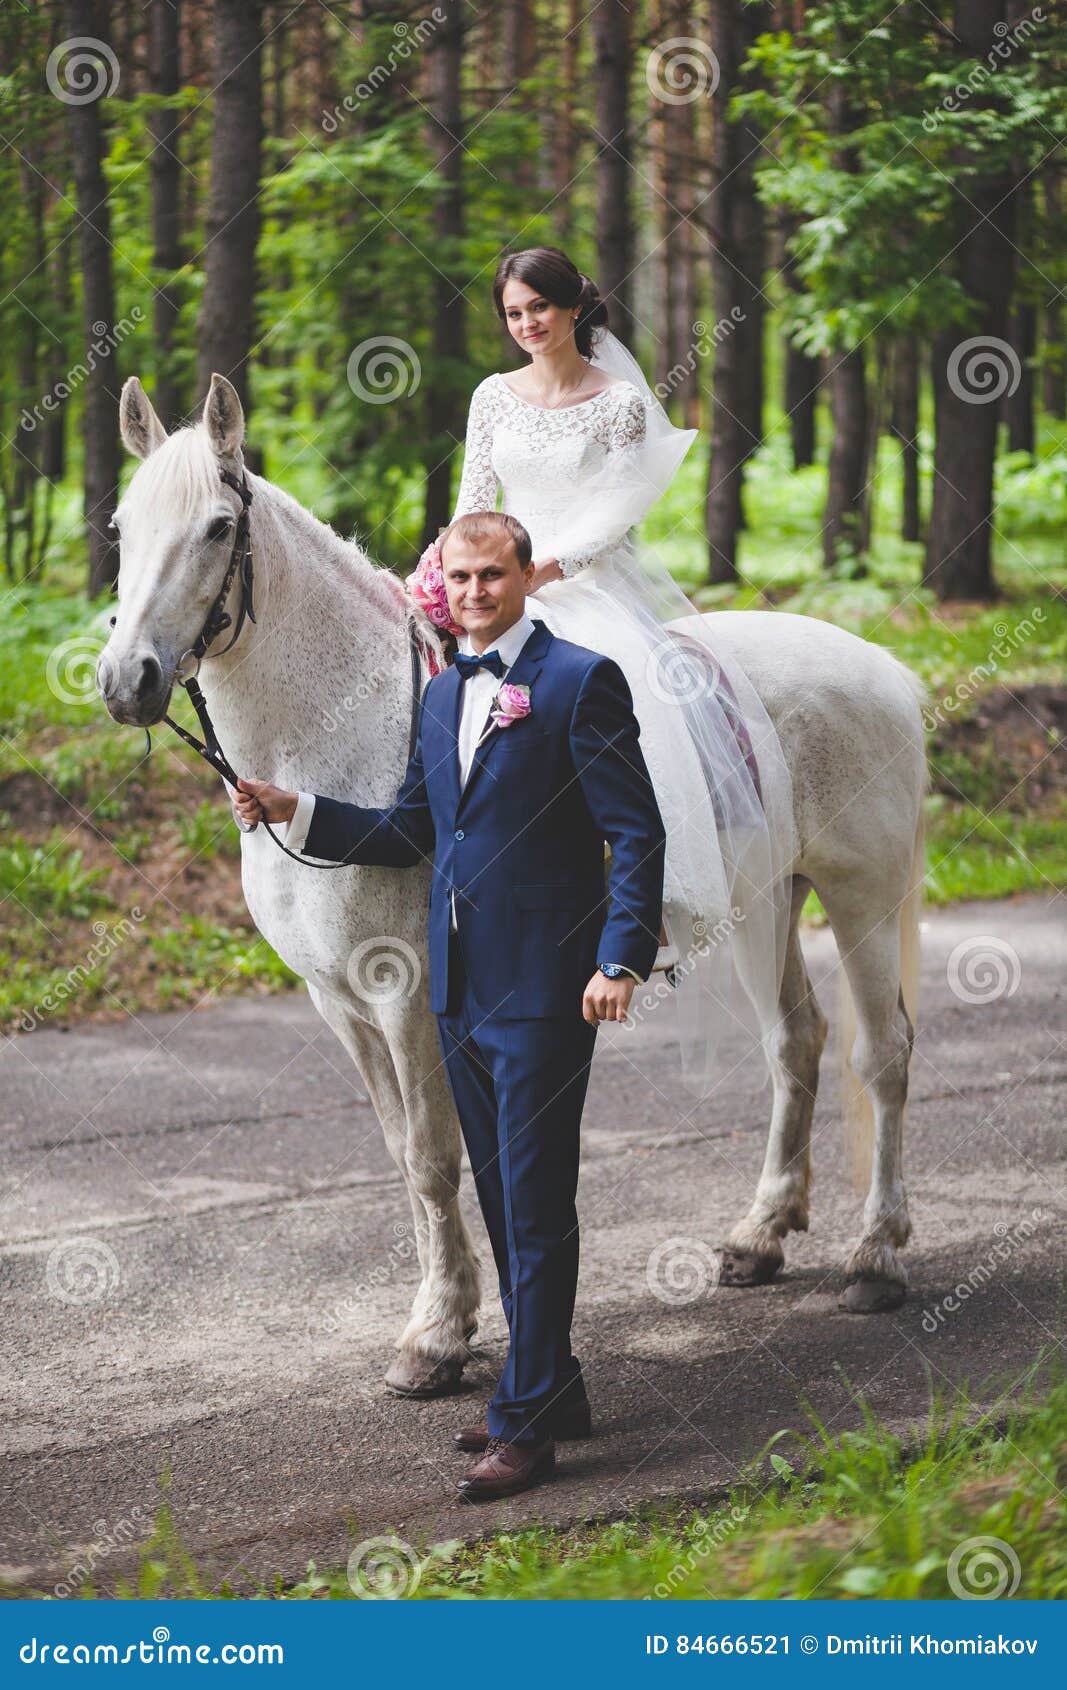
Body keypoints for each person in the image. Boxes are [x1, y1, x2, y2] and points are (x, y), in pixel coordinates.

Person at [233, 510, 666, 1503]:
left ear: (523, 577)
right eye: (457, 577)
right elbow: (409, 833)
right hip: (460, 991)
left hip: (547, 986)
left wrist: (619, 959)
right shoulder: (439, 701)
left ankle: (523, 1425)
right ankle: (550, 1388)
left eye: (491, 576)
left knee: (535, 1205)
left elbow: (633, 833)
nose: (473, 592)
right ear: (443, 584)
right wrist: (293, 807)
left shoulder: (576, 681)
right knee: (503, 1196)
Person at [447, 245, 794, 1095]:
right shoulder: (492, 396)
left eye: (539, 308)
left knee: (637, 703)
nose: (526, 325)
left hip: (579, 583)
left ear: (573, 308)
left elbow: (618, 509)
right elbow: (474, 496)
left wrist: (548, 568)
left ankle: (652, 917)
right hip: (496, 585)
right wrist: (452, 565)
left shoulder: (618, 406)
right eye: (513, 313)